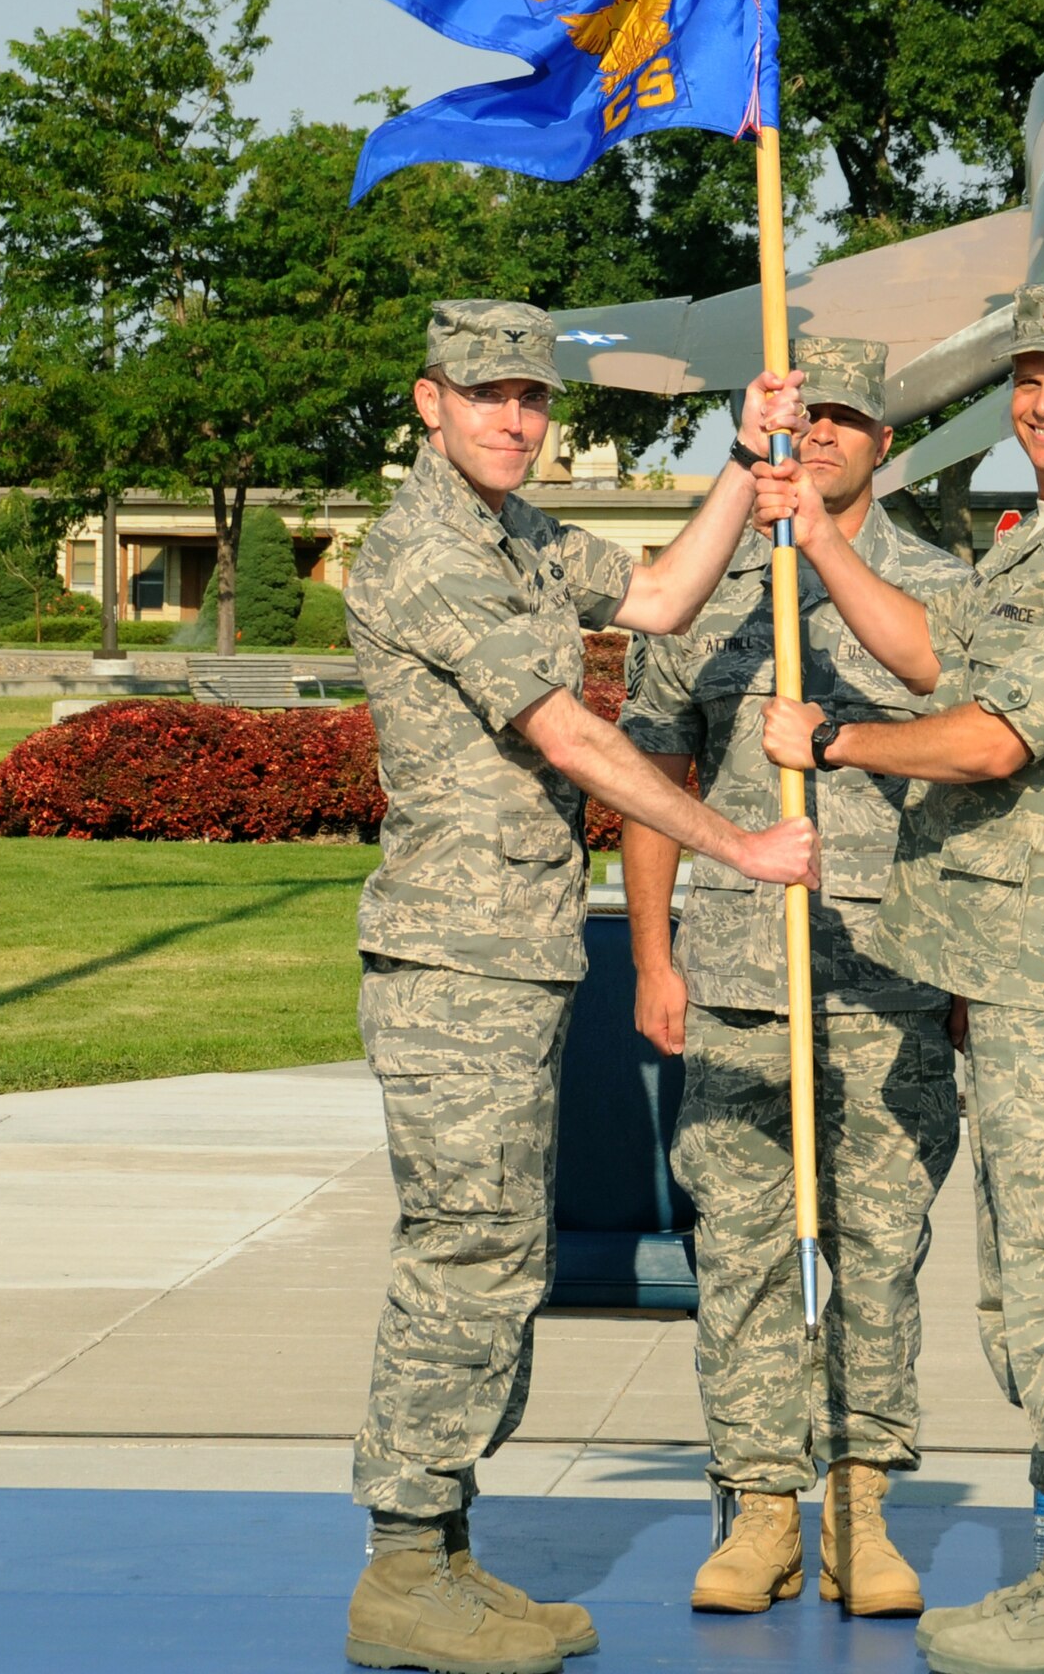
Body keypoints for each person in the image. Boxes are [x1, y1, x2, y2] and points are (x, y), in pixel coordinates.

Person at [341, 301, 819, 1674]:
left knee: (497, 1256)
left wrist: (745, 458)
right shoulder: (433, 553)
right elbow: (569, 734)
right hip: (454, 963)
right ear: (430, 400)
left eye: (533, 397)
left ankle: (442, 1553)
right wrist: (736, 843)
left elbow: (658, 598)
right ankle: (402, 1566)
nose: (515, 417)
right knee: (464, 1257)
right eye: (486, 393)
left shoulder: (517, 535)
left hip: (510, 955)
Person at [754, 285, 1044, 1674]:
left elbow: (991, 737)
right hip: (1020, 981)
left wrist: (831, 743)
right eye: (1029, 377)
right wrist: (817, 527)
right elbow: (931, 648)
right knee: (1032, 1287)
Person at [617, 338, 970, 1620]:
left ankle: (862, 1507)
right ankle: (762, 1504)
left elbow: (981, 771)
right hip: (733, 969)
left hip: (891, 975)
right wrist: (651, 954)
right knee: (743, 1249)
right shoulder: (707, 586)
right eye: (799, 415)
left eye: (845, 419)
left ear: (884, 441)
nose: (818, 435)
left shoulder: (943, 589)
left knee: (879, 1248)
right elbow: (650, 777)